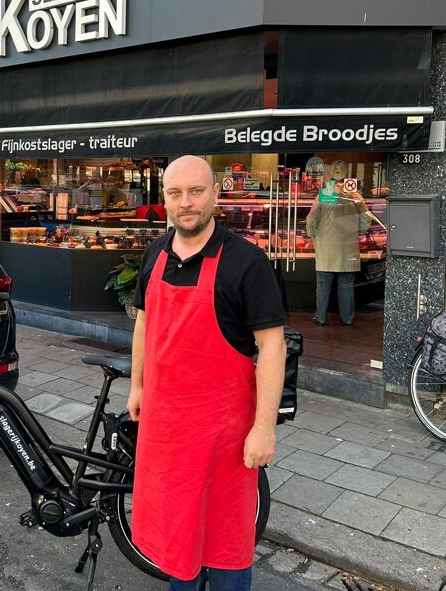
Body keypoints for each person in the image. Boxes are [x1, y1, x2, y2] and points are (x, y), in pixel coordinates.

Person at [127, 155, 287, 591]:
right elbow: (144, 320)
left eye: (196, 191)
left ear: (215, 194)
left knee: (226, 542)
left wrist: (264, 428)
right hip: (166, 430)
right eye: (175, 194)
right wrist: (138, 384)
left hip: (224, 437)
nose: (186, 203)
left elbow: (272, 345)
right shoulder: (156, 253)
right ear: (164, 201)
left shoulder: (247, 262)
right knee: (177, 542)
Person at [306, 161, 370, 326]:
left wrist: (313, 237)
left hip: (326, 248)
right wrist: (360, 233)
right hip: (348, 248)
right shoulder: (355, 196)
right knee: (347, 286)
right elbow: (366, 219)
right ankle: (347, 318)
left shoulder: (325, 193)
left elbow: (311, 218)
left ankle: (320, 317)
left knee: (323, 285)